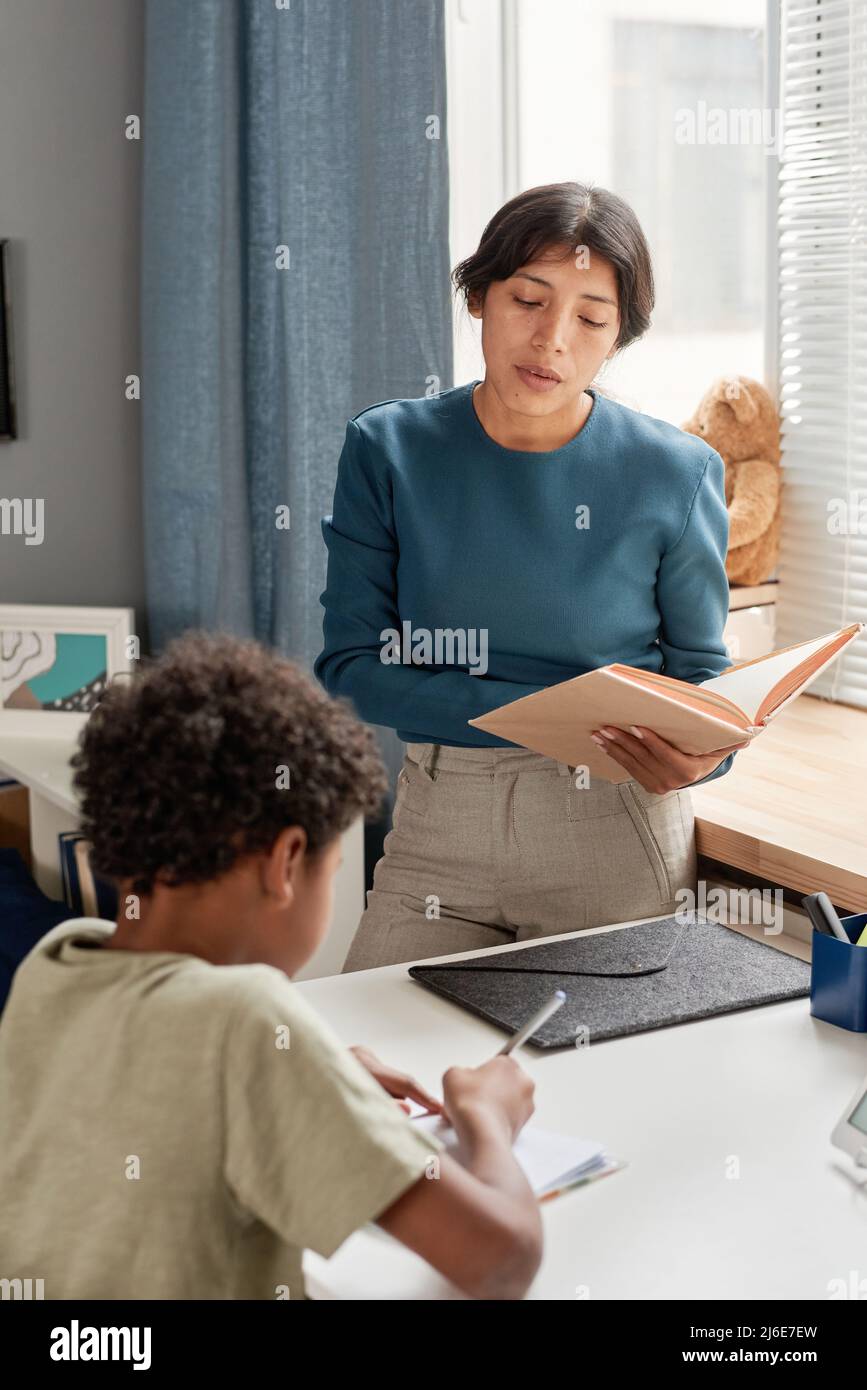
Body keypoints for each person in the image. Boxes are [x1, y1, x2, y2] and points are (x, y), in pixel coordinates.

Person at [0, 632, 542, 1301]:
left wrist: (314, 1074)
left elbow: (151, 1082)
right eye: (334, 866)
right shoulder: (244, 1019)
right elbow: (499, 1261)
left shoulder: (57, 964)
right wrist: (489, 1115)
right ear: (287, 862)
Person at [314, 180, 749, 973]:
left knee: (602, 1086)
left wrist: (706, 755)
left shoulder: (676, 472)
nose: (553, 339)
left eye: (589, 318)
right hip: (437, 827)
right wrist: (551, 711)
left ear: (616, 338)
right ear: (479, 297)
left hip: (612, 829)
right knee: (369, 1078)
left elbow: (700, 680)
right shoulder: (389, 449)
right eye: (528, 299)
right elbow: (351, 670)